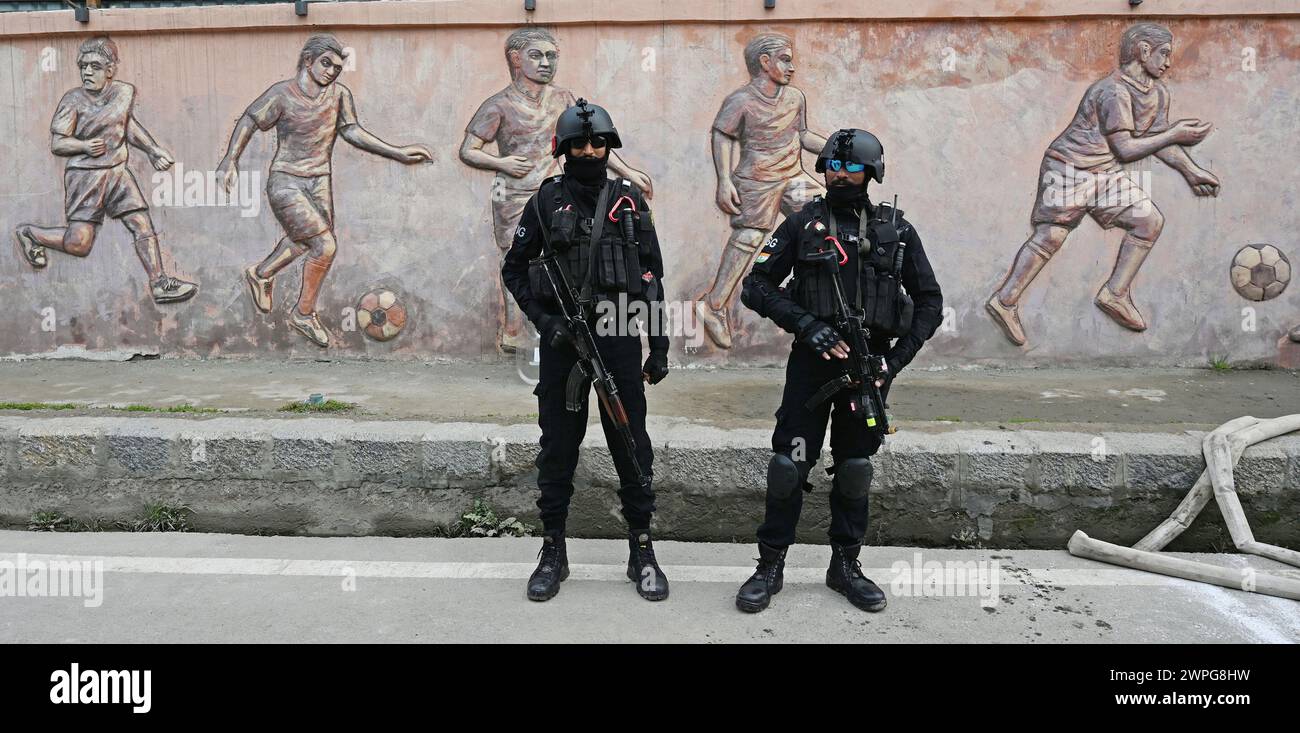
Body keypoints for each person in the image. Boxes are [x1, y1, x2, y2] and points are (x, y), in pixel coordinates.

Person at [736, 128, 943, 613]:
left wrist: (895, 361)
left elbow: (930, 301)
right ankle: (770, 566)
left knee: (854, 470)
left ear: (871, 172)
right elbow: (757, 286)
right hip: (811, 369)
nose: (839, 173)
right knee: (788, 467)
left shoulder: (898, 231)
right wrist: (808, 325)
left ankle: (845, 566)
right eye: (832, 164)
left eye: (851, 167)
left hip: (869, 371)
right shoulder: (801, 224)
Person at [501, 100, 671, 602]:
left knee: (631, 446)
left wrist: (658, 347)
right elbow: (514, 269)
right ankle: (553, 550)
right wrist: (546, 320)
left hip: (617, 335)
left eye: (598, 143)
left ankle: (642, 549)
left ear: (609, 146)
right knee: (557, 448)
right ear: (564, 148)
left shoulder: (630, 201)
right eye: (579, 143)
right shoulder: (544, 202)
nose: (590, 150)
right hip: (564, 342)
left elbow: (652, 276)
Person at [986, 22, 1219, 346]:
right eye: (1164, 53)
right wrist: (1176, 133)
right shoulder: (1112, 90)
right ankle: (1005, 300)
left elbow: (1158, 141)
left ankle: (1115, 293)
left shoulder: (1158, 93)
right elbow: (1126, 148)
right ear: (1143, 50)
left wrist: (1192, 171)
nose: (1169, 62)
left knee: (1148, 221)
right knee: (1051, 236)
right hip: (1068, 166)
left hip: (1104, 172)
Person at [217, 34, 432, 347]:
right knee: (325, 245)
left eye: (337, 67)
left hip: (320, 181)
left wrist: (396, 152)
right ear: (308, 61)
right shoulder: (282, 94)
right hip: (286, 180)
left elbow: (352, 131)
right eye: (326, 63)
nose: (332, 71)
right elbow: (249, 120)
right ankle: (303, 313)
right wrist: (230, 159)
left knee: (307, 243)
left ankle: (261, 274)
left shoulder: (339, 95)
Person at [461, 27, 652, 353]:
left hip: (560, 196)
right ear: (516, 59)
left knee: (566, 261)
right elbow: (468, 149)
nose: (546, 62)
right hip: (515, 196)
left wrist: (628, 170)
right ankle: (515, 331)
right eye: (537, 55)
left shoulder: (564, 99)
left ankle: (565, 326)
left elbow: (593, 140)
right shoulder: (499, 104)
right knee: (517, 260)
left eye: (552, 55)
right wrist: (504, 162)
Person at [14, 36, 197, 305]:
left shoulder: (124, 93)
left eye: (95, 66)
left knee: (141, 223)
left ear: (110, 70)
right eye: (83, 66)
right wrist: (84, 145)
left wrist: (153, 149)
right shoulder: (72, 100)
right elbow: (58, 143)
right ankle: (30, 233)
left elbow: (127, 126)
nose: (87, 72)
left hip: (118, 172)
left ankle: (160, 283)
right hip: (85, 175)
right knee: (79, 244)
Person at [694, 32, 827, 349]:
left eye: (791, 59)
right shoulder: (741, 101)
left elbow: (804, 135)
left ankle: (817, 299)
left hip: (793, 177)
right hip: (755, 182)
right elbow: (722, 136)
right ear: (764, 62)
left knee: (826, 216)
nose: (792, 66)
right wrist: (724, 180)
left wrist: (839, 149)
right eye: (785, 59)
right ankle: (713, 306)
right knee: (749, 238)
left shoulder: (796, 98)